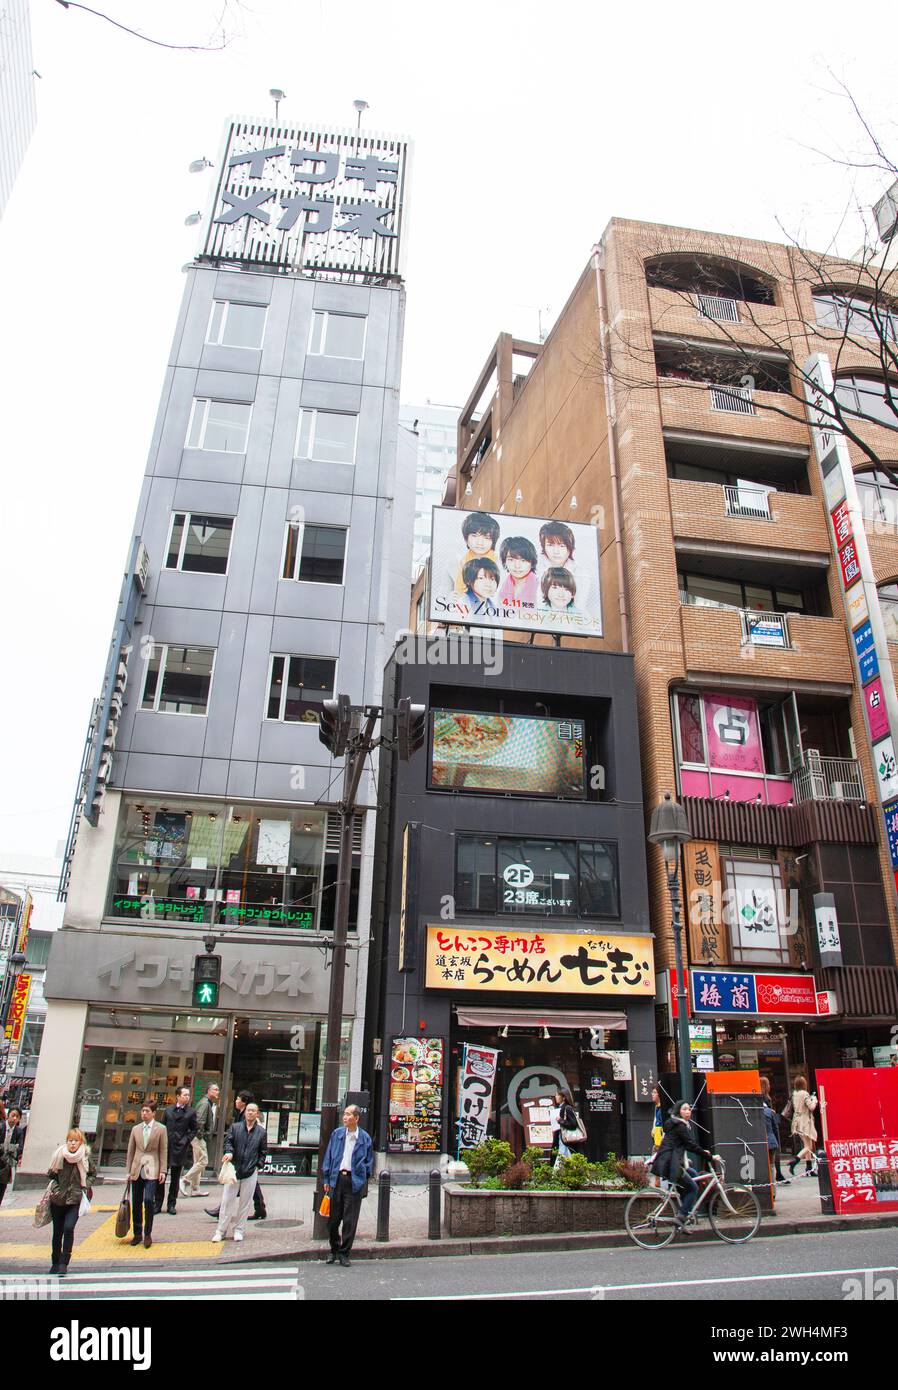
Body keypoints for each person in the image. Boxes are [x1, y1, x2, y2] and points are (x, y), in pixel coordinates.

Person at [653, 1101, 721, 1229]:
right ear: (678, 1111)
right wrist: (710, 1157)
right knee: (693, 1188)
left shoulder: (676, 1124)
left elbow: (680, 1145)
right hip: (672, 1164)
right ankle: (681, 1217)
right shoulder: (680, 1126)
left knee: (694, 1176)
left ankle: (686, 1213)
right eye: (684, 1109)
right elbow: (690, 1145)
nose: (688, 1111)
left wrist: (688, 1158)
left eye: (689, 1109)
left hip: (671, 1161)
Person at [321, 1104, 374, 1267]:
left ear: (356, 1118)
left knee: (350, 1221)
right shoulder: (337, 1134)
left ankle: (344, 1253)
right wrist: (326, 1179)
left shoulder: (364, 1138)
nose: (345, 1117)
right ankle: (334, 1249)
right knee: (333, 1220)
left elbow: (369, 1162)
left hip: (353, 1181)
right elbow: (329, 1156)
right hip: (336, 1179)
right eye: (344, 1114)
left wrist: (362, 1177)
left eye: (349, 1114)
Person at [205, 1090, 267, 1221]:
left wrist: (258, 1164)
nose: (236, 1101)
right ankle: (260, 1208)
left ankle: (222, 1210)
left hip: (248, 1160)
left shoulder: (250, 1119)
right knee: (251, 1184)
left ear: (244, 1102)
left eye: (238, 1099)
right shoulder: (240, 1116)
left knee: (236, 1184)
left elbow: (261, 1146)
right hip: (242, 1161)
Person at [214, 1101, 268, 1243]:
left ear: (257, 1114)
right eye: (248, 1110)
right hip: (234, 1170)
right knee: (227, 1201)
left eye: (253, 1110)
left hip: (250, 1171)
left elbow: (263, 1151)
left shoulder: (261, 1132)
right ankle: (220, 1231)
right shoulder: (235, 1127)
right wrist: (229, 1152)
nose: (250, 1112)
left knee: (245, 1203)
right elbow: (228, 1142)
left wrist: (258, 1165)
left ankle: (239, 1230)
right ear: (245, 1112)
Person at [46, 1127, 96, 1275]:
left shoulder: (85, 1157)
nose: (72, 1143)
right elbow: (51, 1175)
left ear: (81, 1142)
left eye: (75, 1140)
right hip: (58, 1200)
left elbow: (92, 1174)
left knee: (68, 1228)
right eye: (70, 1140)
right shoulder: (60, 1155)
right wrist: (56, 1189)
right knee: (57, 1232)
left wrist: (84, 1186)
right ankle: (55, 1262)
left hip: (75, 1200)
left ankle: (64, 1262)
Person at [125, 1100, 168, 1249]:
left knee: (149, 1200)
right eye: (143, 1111)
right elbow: (131, 1150)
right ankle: (137, 1233)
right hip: (137, 1169)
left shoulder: (161, 1129)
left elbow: (163, 1150)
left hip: (152, 1168)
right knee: (136, 1202)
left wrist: (163, 1170)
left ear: (154, 1113)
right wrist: (128, 1171)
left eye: (147, 1111)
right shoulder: (135, 1129)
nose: (144, 1114)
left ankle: (148, 1233)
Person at [155, 1086, 196, 1215]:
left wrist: (185, 1140)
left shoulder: (191, 1112)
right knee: (161, 1176)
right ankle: (158, 1203)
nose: (187, 1097)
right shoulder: (168, 1110)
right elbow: (162, 1126)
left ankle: (171, 1204)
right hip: (166, 1147)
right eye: (185, 1095)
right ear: (178, 1096)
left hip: (180, 1148)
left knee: (175, 1178)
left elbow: (194, 1129)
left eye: (188, 1095)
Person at [448, 511, 501, 593]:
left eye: (486, 538)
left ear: (493, 541)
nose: (480, 543)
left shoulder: (499, 563)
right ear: (466, 538)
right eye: (474, 536)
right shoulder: (460, 562)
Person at [182, 1083, 219, 1198]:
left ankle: (195, 1188)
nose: (217, 1092)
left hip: (197, 1136)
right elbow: (200, 1121)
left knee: (197, 1161)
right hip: (198, 1137)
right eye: (215, 1089)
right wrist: (201, 1135)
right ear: (208, 1091)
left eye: (218, 1090)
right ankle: (185, 1179)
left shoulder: (207, 1103)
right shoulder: (205, 1103)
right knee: (203, 1161)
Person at [787, 1074, 818, 1176]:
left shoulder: (794, 1094)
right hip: (805, 1122)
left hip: (797, 1122)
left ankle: (809, 1168)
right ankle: (795, 1161)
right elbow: (812, 1107)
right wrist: (814, 1100)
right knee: (809, 1146)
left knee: (806, 1144)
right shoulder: (805, 1094)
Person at [498, 536, 539, 609]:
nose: (517, 566)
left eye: (523, 560)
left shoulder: (540, 587)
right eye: (511, 560)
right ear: (505, 561)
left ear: (532, 562)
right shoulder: (501, 587)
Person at [760, 1078, 787, 1185]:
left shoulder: (762, 1097)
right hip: (769, 1128)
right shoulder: (766, 1098)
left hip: (766, 1129)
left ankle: (777, 1175)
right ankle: (777, 1174)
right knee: (774, 1153)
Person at [0, 1106, 26, 1207]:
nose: (15, 1118)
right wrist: (11, 1148)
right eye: (13, 1115)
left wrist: (4, 1147)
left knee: (1, 1191)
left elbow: (19, 1149)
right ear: (8, 1115)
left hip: (6, 1166)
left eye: (17, 1116)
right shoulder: (1, 1127)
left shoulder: (19, 1131)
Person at [550, 1088, 577, 1164]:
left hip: (566, 1140)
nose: (555, 1097)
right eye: (555, 1095)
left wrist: (560, 1120)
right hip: (561, 1139)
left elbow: (573, 1124)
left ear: (564, 1097)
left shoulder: (567, 1108)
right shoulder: (560, 1107)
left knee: (562, 1162)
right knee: (565, 1162)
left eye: (557, 1095)